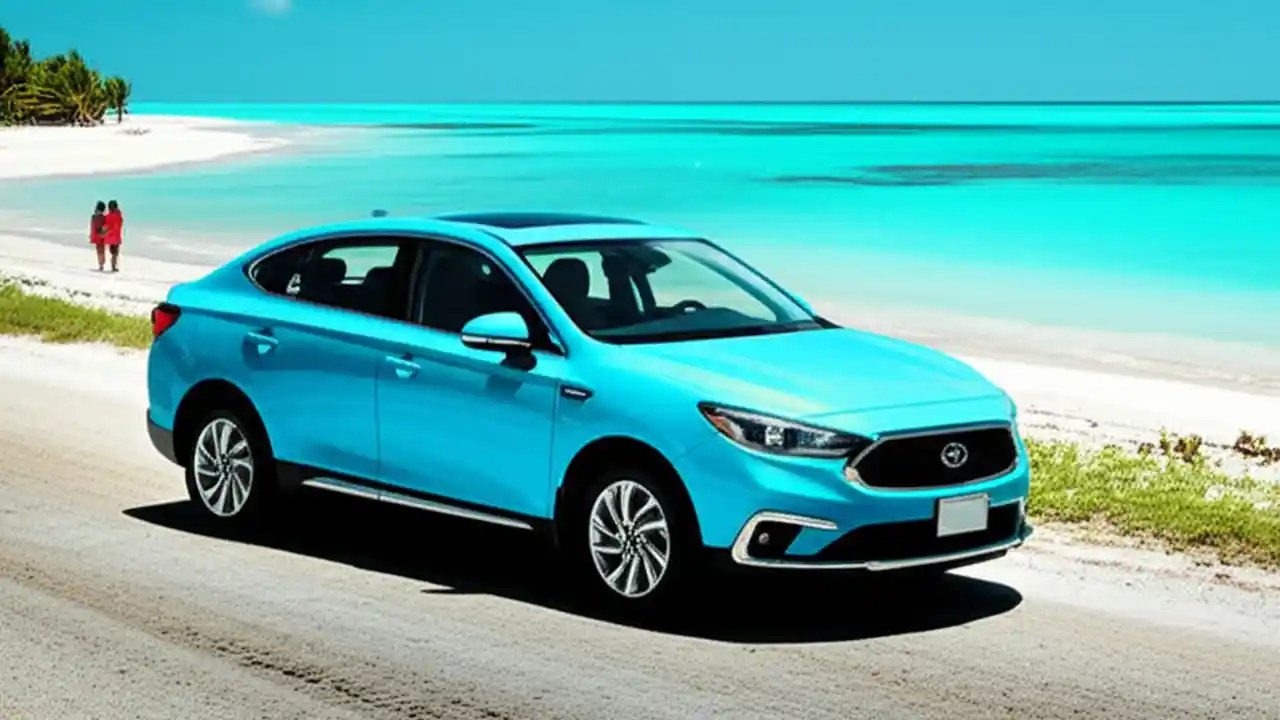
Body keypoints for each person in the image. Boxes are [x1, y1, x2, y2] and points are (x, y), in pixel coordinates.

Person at [103, 200, 124, 272]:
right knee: (115, 253)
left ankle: (113, 265)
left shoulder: (108, 216)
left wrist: (103, 232)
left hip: (109, 237)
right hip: (116, 237)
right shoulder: (118, 215)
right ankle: (113, 266)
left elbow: (105, 225)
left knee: (113, 252)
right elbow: (121, 222)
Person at [89, 201, 108, 271]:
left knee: (99, 250)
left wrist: (91, 235)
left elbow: (92, 227)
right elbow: (105, 226)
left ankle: (101, 264)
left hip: (97, 236)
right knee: (101, 250)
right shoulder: (103, 217)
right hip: (102, 235)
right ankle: (101, 263)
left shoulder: (94, 217)